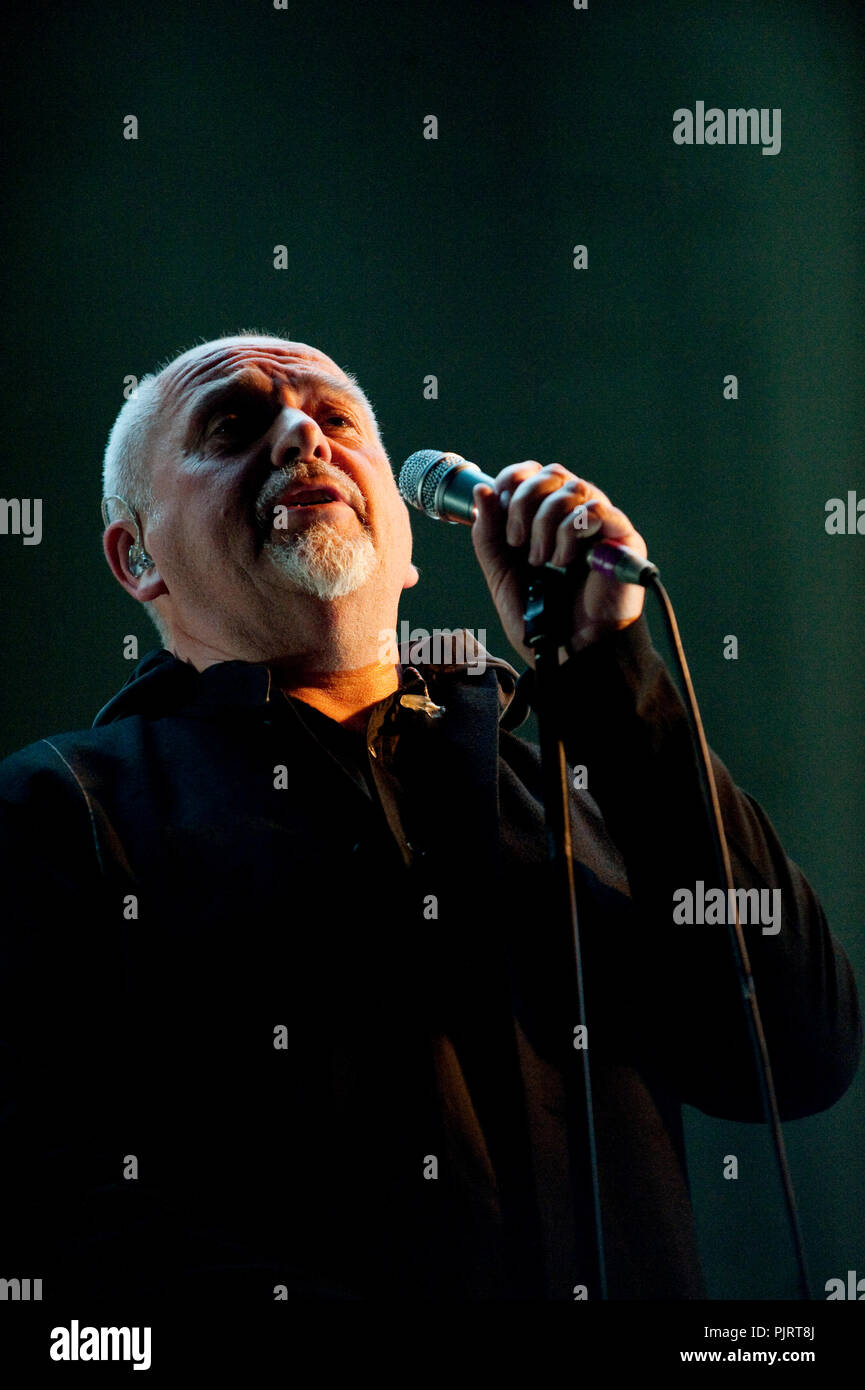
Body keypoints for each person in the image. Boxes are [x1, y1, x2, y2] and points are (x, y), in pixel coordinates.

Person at [0, 334, 859, 1303]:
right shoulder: (57, 811)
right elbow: (54, 1221)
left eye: (336, 420)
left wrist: (609, 673)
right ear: (137, 556)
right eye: (233, 424)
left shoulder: (570, 790)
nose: (300, 435)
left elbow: (796, 1053)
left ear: (409, 549)